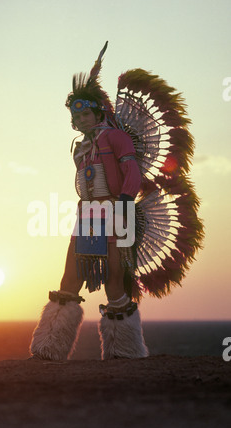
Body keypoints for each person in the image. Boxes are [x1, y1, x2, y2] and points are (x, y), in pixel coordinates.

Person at [29, 43, 149, 361]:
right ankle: (48, 348)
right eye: (75, 114)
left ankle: (125, 350)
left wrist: (124, 202)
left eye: (85, 113)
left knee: (114, 279)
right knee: (70, 277)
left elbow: (132, 171)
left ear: (98, 112)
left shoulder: (115, 138)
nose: (80, 119)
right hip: (89, 214)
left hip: (118, 212)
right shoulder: (82, 147)